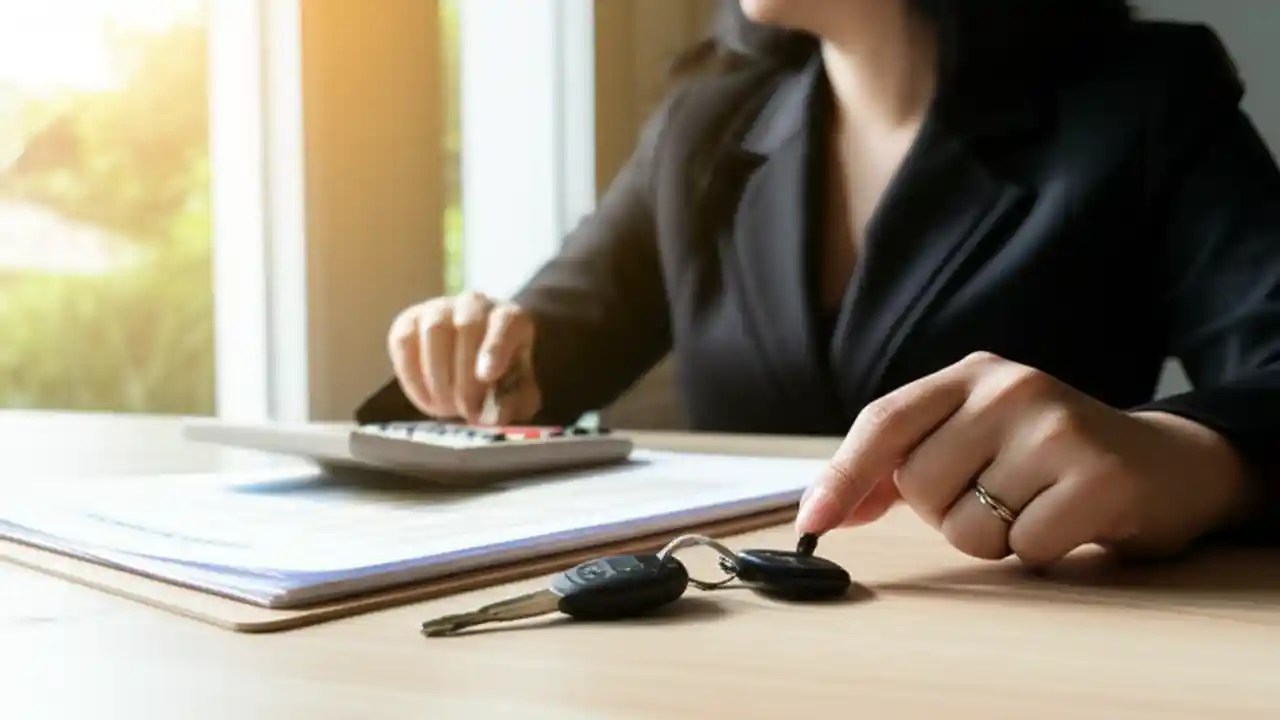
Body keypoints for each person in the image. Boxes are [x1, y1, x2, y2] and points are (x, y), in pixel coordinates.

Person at [360, 0, 1280, 564]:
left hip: (1034, 644)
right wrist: (480, 362)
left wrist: (1187, 461)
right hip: (728, 645)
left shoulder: (1147, 98)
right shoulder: (706, 125)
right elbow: (547, 346)